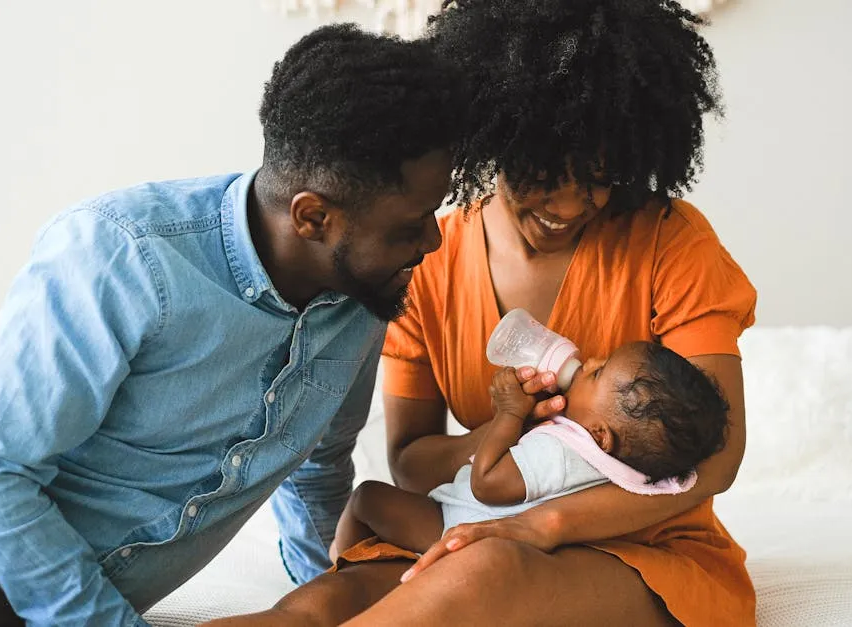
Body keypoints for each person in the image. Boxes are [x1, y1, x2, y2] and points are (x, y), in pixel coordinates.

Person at [209, 0, 758, 625]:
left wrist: (539, 524)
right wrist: (503, 430)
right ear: (494, 138)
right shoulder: (426, 263)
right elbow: (412, 463)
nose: (573, 204)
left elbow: (718, 457)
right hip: (476, 522)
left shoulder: (669, 241)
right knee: (314, 607)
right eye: (545, 173)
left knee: (486, 570)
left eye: (600, 177)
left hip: (644, 544)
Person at [0, 24, 464, 626]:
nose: (433, 240)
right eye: (409, 225)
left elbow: (317, 467)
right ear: (314, 216)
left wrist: (345, 598)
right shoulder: (120, 257)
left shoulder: (361, 298)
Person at [331, 341, 730, 559]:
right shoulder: (623, 467)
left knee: (367, 498)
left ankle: (336, 566)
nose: (588, 359)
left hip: (454, 521)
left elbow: (486, 485)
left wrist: (508, 414)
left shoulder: (560, 453)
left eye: (597, 372)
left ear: (600, 434)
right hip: (513, 550)